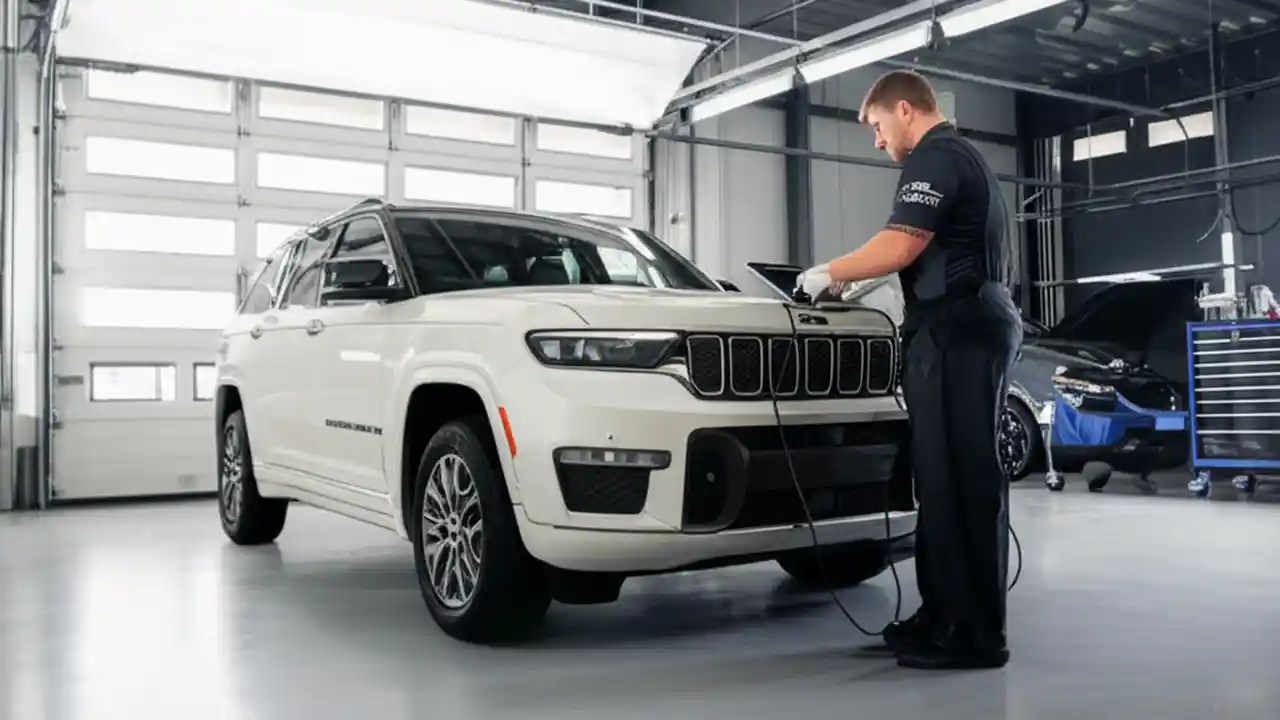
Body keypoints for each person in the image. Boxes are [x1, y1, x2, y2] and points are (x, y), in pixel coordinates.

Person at [799, 70, 1022, 669]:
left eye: (876, 126)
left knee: (957, 479)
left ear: (904, 110)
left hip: (958, 332)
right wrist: (857, 279)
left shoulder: (935, 156)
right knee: (940, 478)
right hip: (961, 325)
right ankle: (941, 612)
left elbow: (900, 244)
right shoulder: (955, 158)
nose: (876, 140)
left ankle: (970, 634)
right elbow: (923, 250)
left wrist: (827, 271)